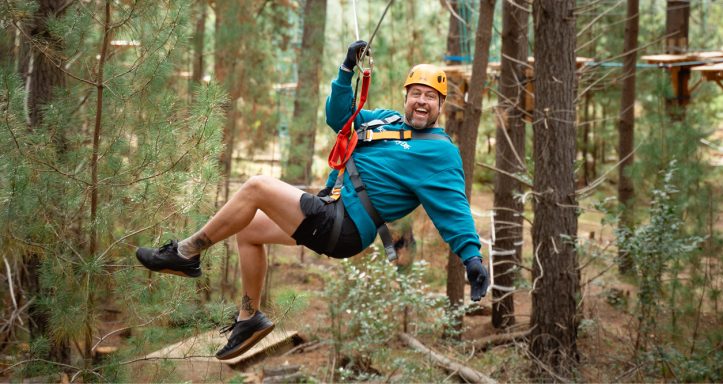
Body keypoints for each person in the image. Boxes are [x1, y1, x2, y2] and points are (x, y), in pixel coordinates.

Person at [135, 40, 489, 361]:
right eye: (416, 93)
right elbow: (338, 118)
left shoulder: (439, 153)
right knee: (248, 231)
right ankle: (249, 317)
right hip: (329, 208)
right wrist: (346, 70)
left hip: (345, 225)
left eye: (431, 96)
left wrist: (471, 258)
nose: (422, 101)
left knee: (257, 186)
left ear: (441, 104)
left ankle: (186, 252)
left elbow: (454, 208)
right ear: (406, 96)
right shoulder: (386, 120)